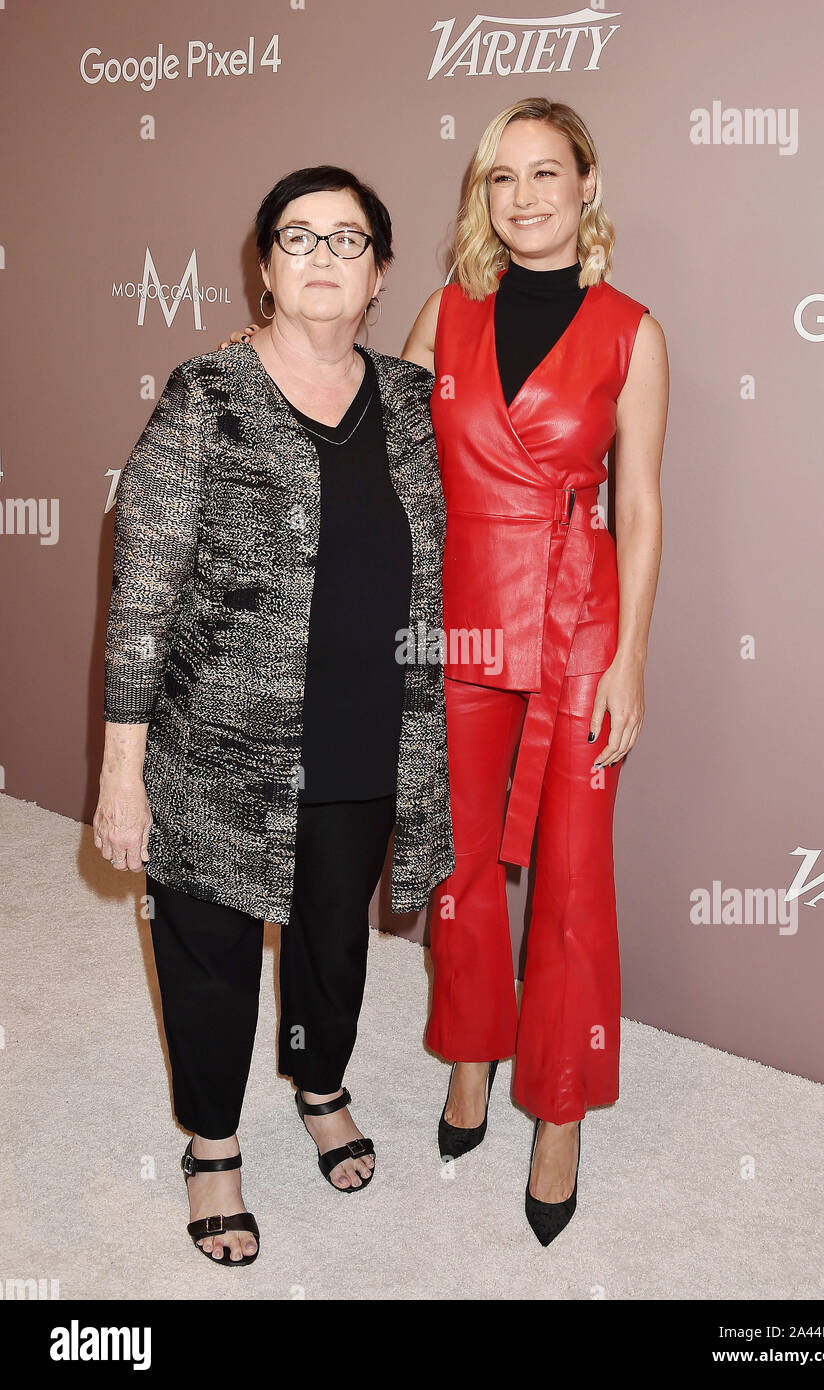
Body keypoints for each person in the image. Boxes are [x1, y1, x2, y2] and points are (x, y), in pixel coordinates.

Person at [94, 166, 454, 1264]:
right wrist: (124, 767)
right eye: (299, 237)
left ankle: (320, 1078)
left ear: (382, 271)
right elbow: (142, 587)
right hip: (215, 747)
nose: (323, 258)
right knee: (208, 951)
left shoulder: (405, 399)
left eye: (349, 241)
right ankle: (212, 1143)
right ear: (265, 265)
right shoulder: (206, 391)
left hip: (361, 733)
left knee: (331, 938)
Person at [401, 97, 668, 1244]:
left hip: (576, 619)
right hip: (461, 615)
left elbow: (645, 508)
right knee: (459, 861)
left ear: (587, 186)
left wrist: (632, 661)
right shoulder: (446, 312)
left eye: (546, 173)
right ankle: (471, 1051)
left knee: (571, 878)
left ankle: (559, 1105)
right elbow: (379, 444)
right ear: (484, 195)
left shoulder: (632, 330)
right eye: (502, 178)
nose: (524, 197)